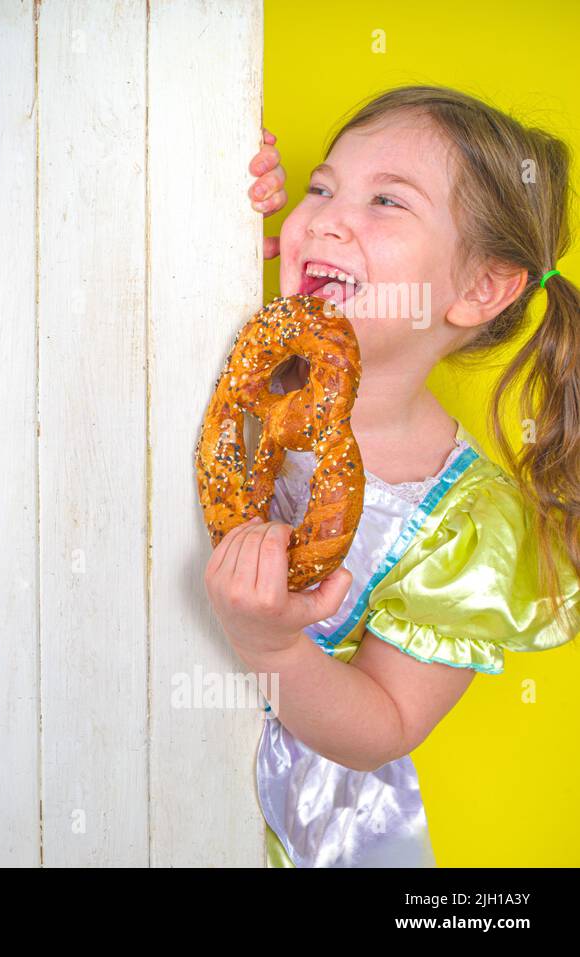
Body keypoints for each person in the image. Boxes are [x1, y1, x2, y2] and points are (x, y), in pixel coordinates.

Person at [209, 87, 580, 867]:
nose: (326, 218)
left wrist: (272, 647)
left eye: (385, 200)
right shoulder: (236, 341)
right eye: (320, 187)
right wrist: (215, 194)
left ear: (480, 288)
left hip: (292, 826)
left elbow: (384, 723)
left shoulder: (468, 525)